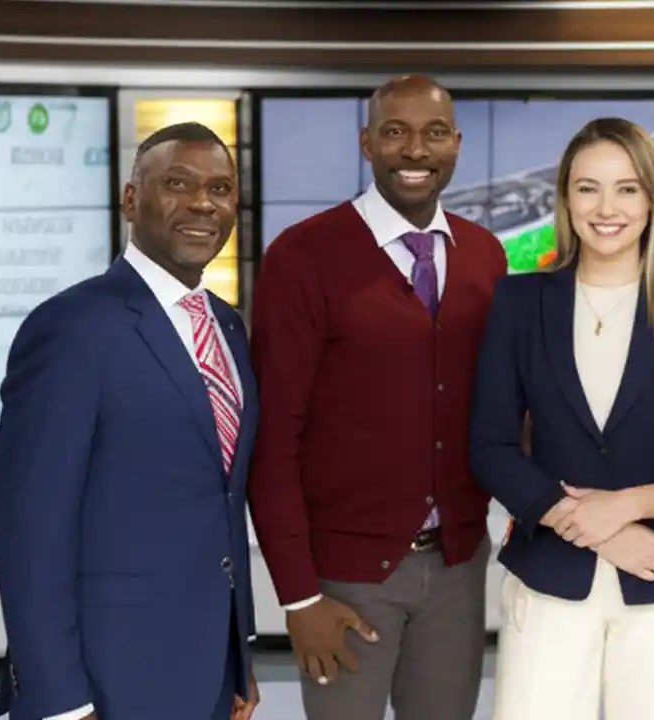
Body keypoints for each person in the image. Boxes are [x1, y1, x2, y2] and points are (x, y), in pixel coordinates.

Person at [247, 74, 508, 720]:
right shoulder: (302, 256)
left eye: (433, 133)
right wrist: (299, 598)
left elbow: (500, 409)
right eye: (395, 132)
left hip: (456, 568)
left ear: (456, 145)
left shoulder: (485, 255)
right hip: (345, 579)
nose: (414, 150)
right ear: (367, 143)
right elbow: (273, 437)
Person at [469, 117, 654, 720]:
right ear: (566, 197)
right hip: (547, 580)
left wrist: (629, 506)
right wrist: (589, 525)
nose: (606, 207)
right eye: (588, 187)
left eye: (627, 188)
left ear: (653, 199)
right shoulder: (520, 304)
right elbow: (489, 446)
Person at [0, 122, 260, 720]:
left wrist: (237, 658)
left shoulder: (228, 326)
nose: (203, 203)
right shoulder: (71, 327)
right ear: (131, 199)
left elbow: (220, 499)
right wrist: (58, 698)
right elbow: (29, 531)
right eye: (178, 183)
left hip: (208, 672)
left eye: (220, 188)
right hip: (108, 680)